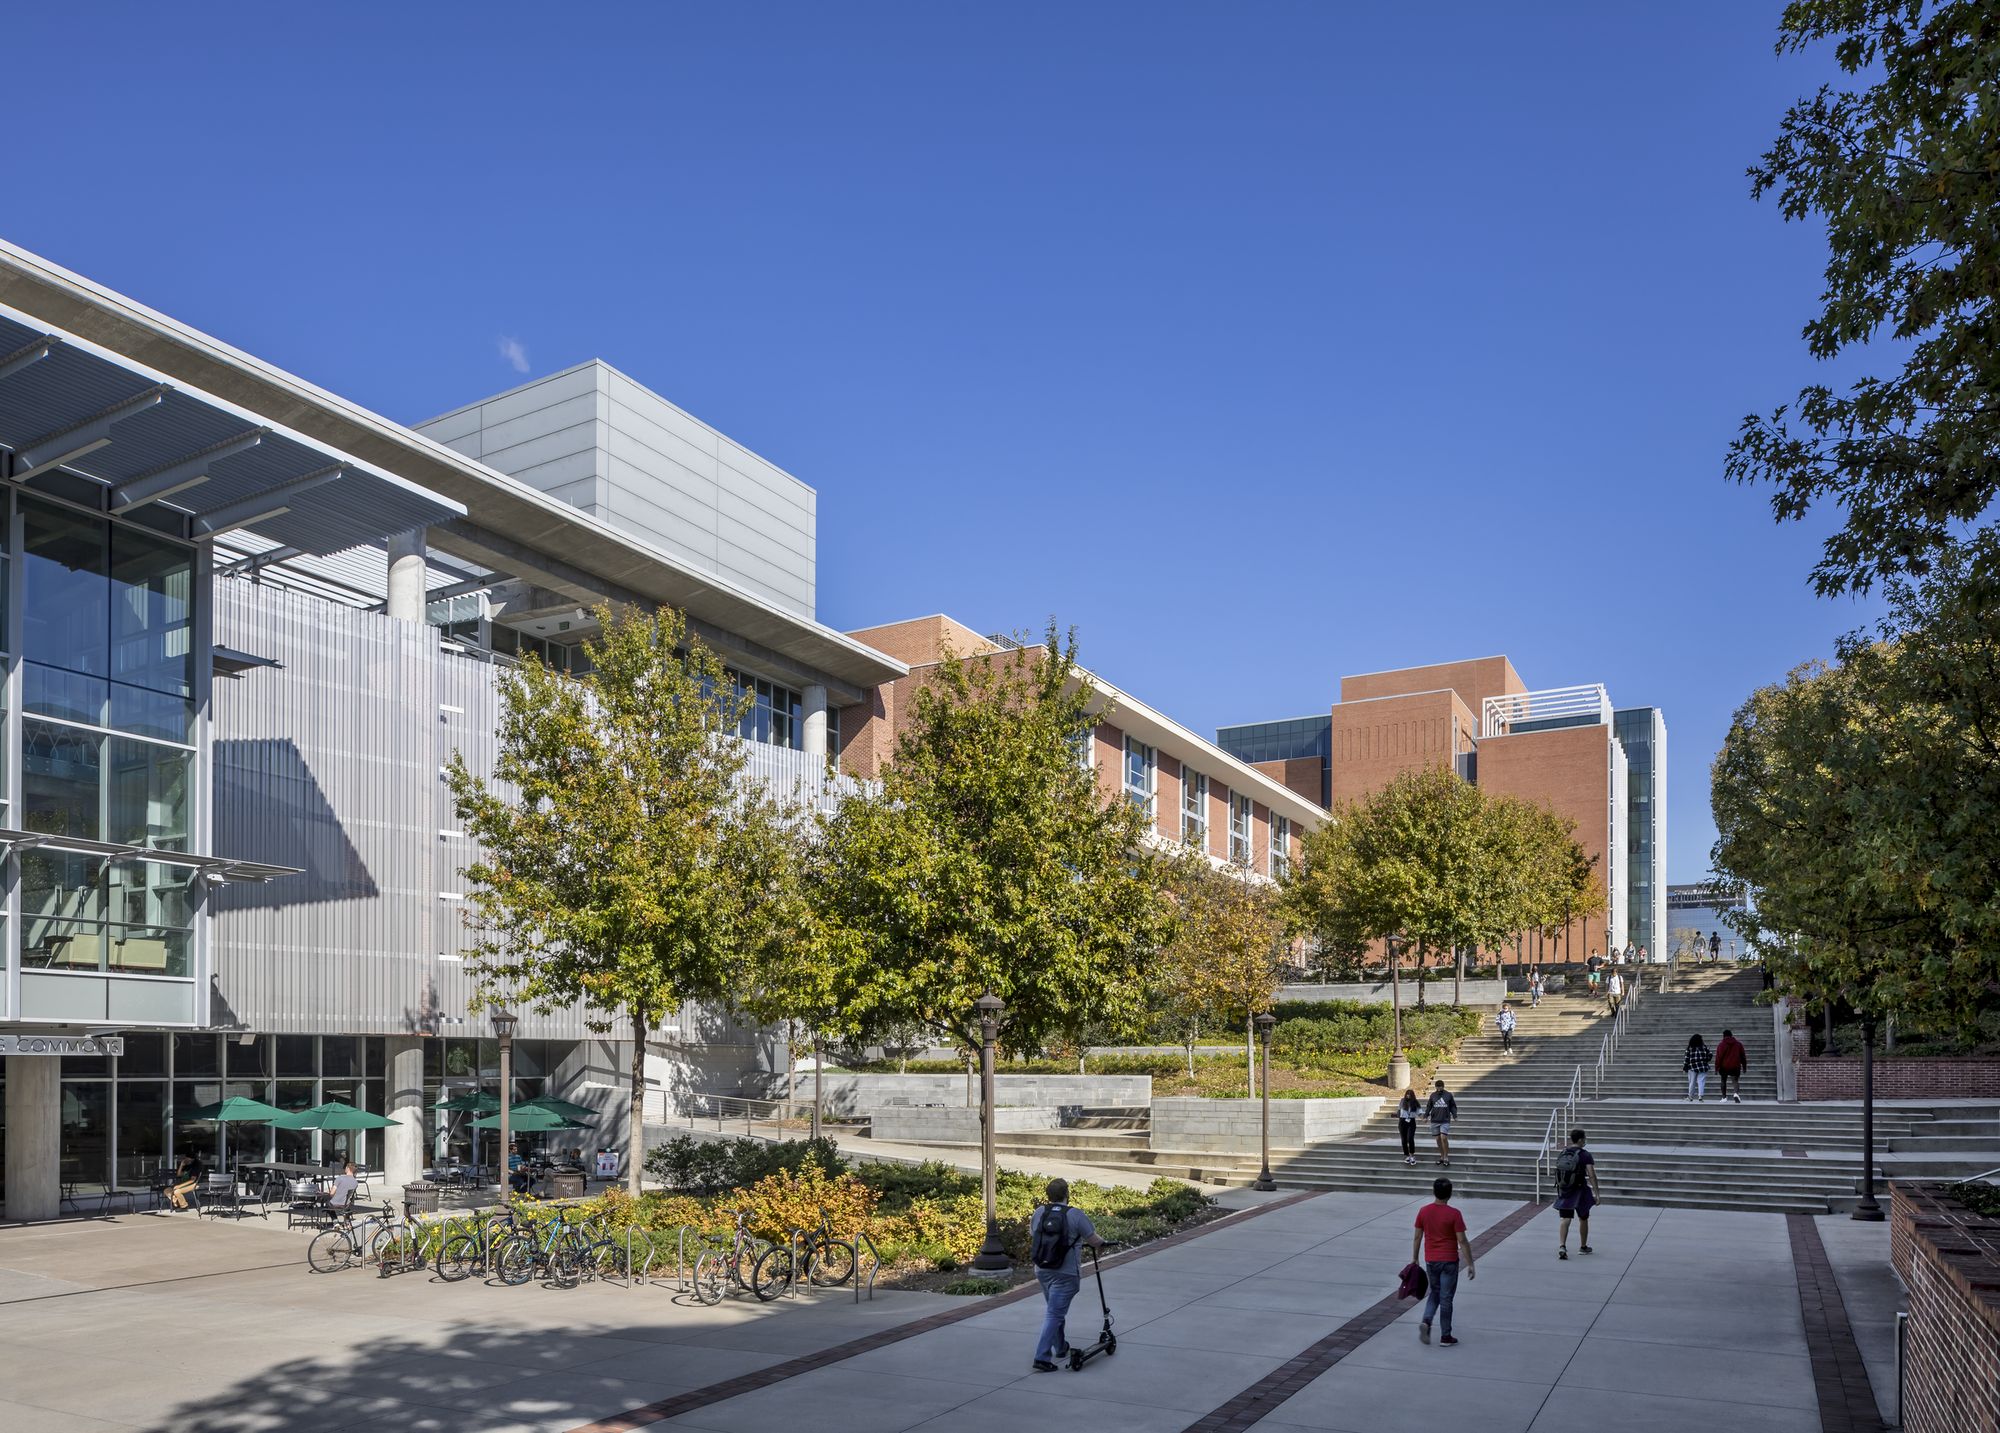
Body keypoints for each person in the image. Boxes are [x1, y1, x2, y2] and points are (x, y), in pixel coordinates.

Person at [1028, 1178, 1103, 1372]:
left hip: (1043, 1270)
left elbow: (1034, 1234)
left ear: (1048, 1195)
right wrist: (1103, 1243)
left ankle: (1060, 1347)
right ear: (1066, 1194)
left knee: (1055, 1310)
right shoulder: (1075, 1214)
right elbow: (1093, 1239)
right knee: (1054, 1313)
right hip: (1066, 1273)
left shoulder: (1039, 1212)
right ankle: (1042, 1357)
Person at [1412, 1176, 1475, 1345]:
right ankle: (1445, 1336)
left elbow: (1417, 1236)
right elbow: (1462, 1240)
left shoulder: (1423, 1211)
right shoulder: (1454, 1214)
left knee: (1435, 1292)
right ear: (1450, 1194)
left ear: (1434, 1192)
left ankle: (1426, 1321)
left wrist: (1414, 1258)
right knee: (1446, 1298)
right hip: (1449, 1260)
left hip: (1431, 1260)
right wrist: (1470, 1263)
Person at [1553, 1128, 1600, 1259]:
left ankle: (1562, 1246)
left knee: (1565, 1218)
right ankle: (1583, 1247)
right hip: (1581, 1190)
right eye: (1584, 1138)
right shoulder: (1585, 1155)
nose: (1585, 1140)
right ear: (1580, 1140)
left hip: (1565, 1190)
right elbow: (1591, 1174)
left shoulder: (1563, 1152)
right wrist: (1597, 1193)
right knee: (1583, 1218)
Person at [1426, 1079, 1458, 1166]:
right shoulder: (1433, 1095)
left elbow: (1453, 1106)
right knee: (1437, 1139)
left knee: (1443, 1137)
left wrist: (1454, 1115)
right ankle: (1442, 1156)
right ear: (1435, 1087)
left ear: (1443, 1087)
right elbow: (1429, 1106)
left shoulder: (1448, 1095)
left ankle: (1446, 1156)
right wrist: (1426, 1116)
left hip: (1445, 1120)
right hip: (1435, 1120)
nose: (1439, 1089)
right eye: (1437, 1087)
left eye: (1440, 1087)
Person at [1714, 1028, 1747, 1103]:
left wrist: (1716, 1068)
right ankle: (1736, 1094)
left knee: (1723, 1081)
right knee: (1735, 1081)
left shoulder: (1721, 1045)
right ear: (1731, 1035)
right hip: (1735, 1066)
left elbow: (1718, 1057)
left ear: (1723, 1036)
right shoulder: (1738, 1044)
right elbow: (1743, 1056)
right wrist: (1744, 1067)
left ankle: (1724, 1097)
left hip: (1724, 1066)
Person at [1397, 1086, 1422, 1166]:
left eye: (1410, 1095)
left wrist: (1423, 1119)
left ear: (1412, 1095)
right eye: (1407, 1094)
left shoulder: (1415, 1102)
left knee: (1410, 1138)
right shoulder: (1402, 1101)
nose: (1408, 1096)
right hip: (1402, 1121)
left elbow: (1420, 1113)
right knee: (1404, 1140)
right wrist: (1398, 1115)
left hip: (1411, 1121)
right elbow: (1398, 1110)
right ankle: (1407, 1155)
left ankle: (1412, 1156)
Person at [1683, 1033, 1712, 1102]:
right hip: (1703, 1066)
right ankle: (1700, 1096)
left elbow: (1686, 1058)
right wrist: (1706, 1060)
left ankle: (1690, 1097)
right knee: (1701, 1082)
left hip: (1692, 1067)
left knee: (1692, 1082)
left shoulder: (1690, 1048)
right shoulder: (1704, 1047)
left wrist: (1685, 1067)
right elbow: (1710, 1054)